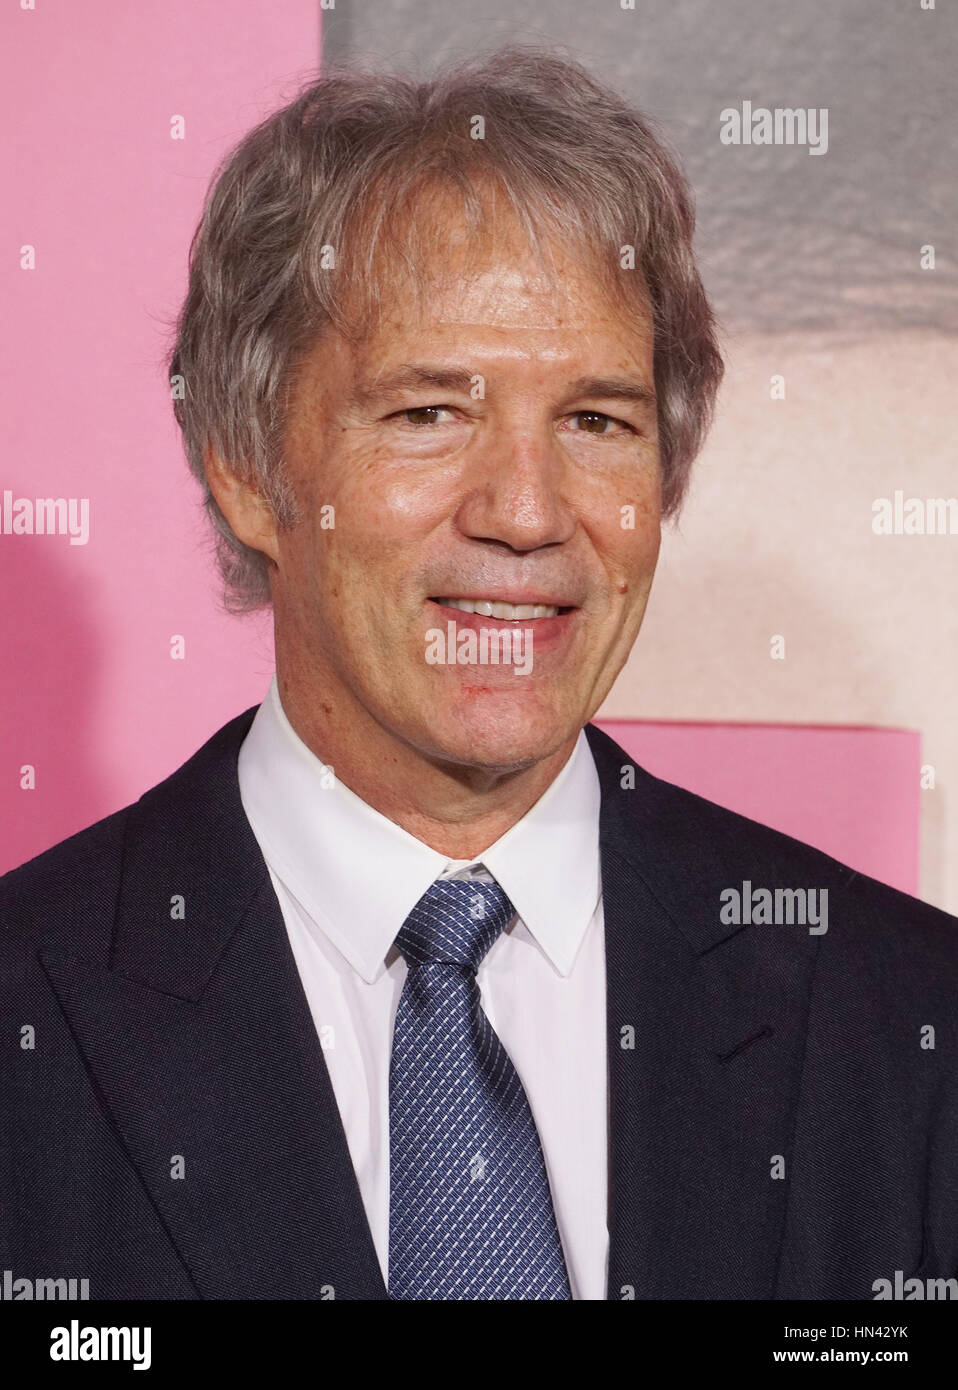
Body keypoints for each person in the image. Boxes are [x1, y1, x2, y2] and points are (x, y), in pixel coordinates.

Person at [2, 47, 956, 1302]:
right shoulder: (29, 1017)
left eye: (596, 421)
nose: (525, 511)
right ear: (246, 465)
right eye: (429, 413)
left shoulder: (907, 1023)